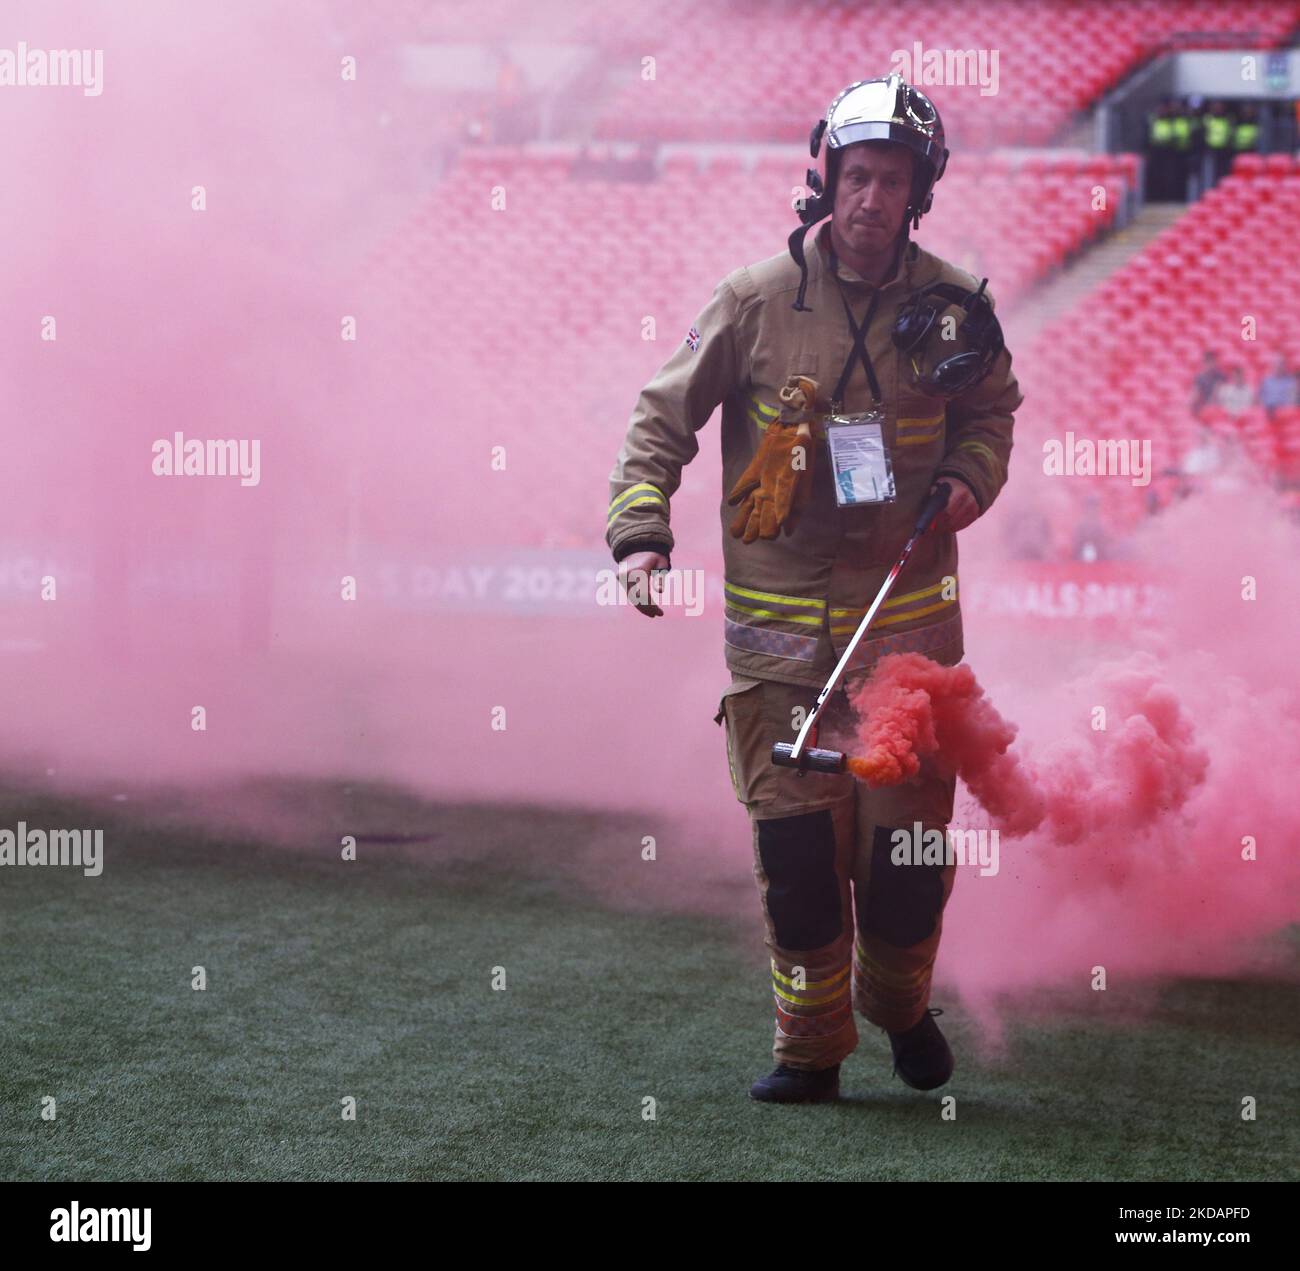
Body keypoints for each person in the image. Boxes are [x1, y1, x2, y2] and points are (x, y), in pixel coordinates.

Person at [604, 74, 1023, 1103]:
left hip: (908, 649)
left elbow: (991, 415)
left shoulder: (953, 302)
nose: (870, 197)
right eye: (856, 174)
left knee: (904, 867)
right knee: (798, 871)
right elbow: (662, 417)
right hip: (777, 663)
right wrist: (639, 531)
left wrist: (967, 483)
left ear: (919, 192)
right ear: (824, 175)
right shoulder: (749, 301)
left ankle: (899, 1008)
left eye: (892, 179)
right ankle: (811, 1051)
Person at [1259, 355, 1297, 419]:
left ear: (1285, 366)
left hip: (1284, 413)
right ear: (1273, 366)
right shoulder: (1266, 380)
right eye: (1276, 364)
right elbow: (1260, 397)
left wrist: (1282, 410)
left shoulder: (1291, 381)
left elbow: (1292, 400)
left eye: (1281, 365)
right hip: (1268, 412)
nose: (1278, 367)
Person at [1190, 351, 1226, 416]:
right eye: (1208, 362)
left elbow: (1224, 393)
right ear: (1205, 363)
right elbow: (1196, 394)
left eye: (1212, 362)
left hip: (1218, 406)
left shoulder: (1221, 377)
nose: (1211, 365)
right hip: (1204, 407)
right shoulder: (1200, 378)